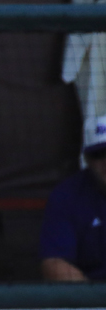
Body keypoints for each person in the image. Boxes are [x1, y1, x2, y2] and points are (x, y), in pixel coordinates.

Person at [39, 116, 106, 281]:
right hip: (92, 297)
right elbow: (54, 263)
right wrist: (94, 300)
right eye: (99, 154)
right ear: (87, 159)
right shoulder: (67, 196)